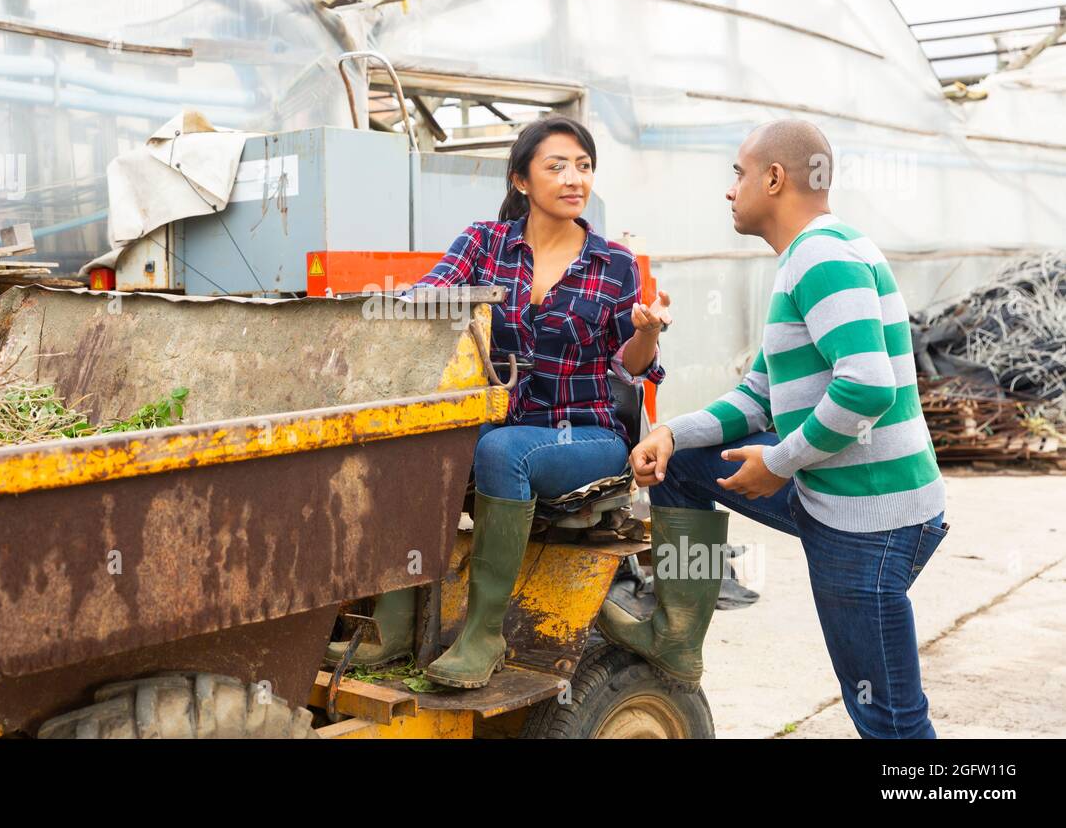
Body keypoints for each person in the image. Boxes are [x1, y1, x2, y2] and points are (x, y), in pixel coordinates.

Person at [600, 119, 949, 738]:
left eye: (738, 173)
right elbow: (758, 397)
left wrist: (779, 464)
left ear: (775, 177)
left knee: (887, 716)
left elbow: (868, 385)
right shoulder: (806, 257)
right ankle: (678, 636)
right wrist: (672, 433)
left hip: (873, 517)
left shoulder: (822, 256)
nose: (730, 190)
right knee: (679, 460)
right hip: (836, 491)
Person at [325, 116, 670, 688]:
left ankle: (483, 635)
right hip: (501, 427)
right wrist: (372, 307)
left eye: (583, 166)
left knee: (503, 451)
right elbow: (429, 296)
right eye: (556, 166)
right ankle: (393, 626)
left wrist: (647, 331)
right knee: (417, 439)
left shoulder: (614, 265)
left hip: (584, 434)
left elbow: (629, 367)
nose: (573, 178)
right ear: (521, 181)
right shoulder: (484, 242)